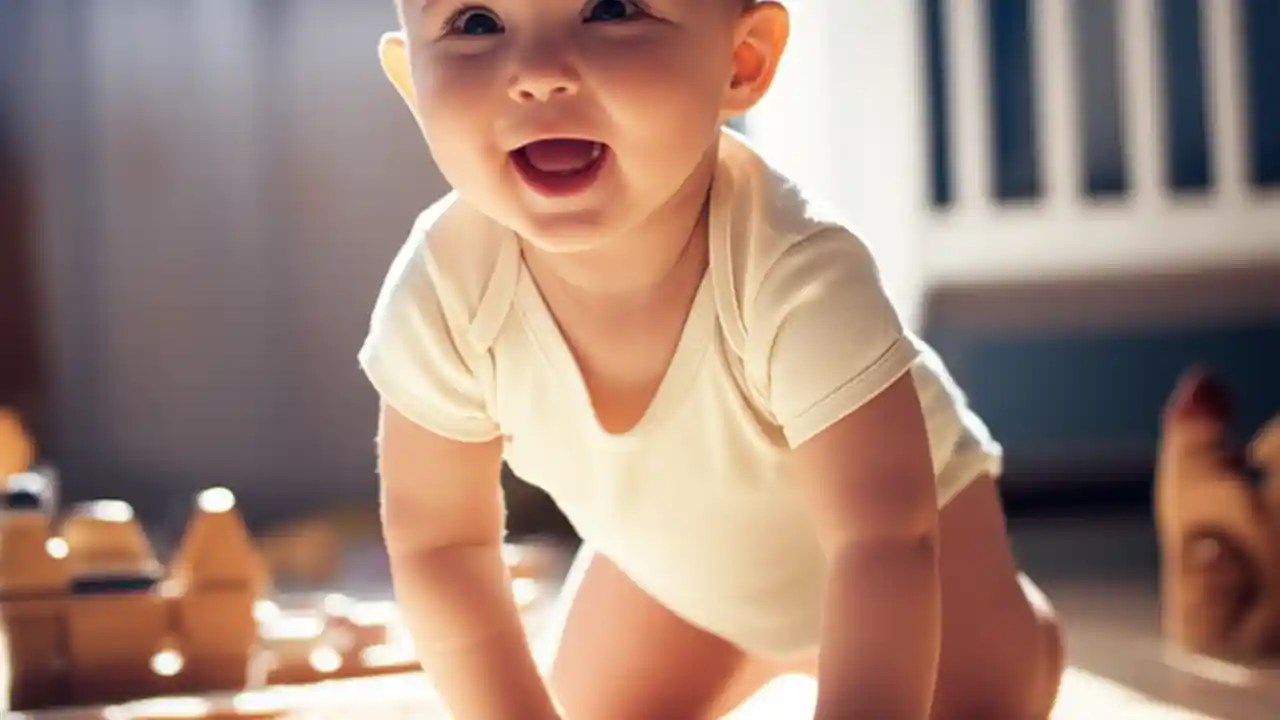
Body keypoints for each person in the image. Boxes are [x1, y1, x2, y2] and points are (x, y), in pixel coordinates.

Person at [358, 1, 1064, 717]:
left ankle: (1023, 640)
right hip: (679, 583)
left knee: (982, 697)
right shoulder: (446, 290)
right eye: (477, 23)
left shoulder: (794, 271)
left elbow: (885, 538)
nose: (538, 75)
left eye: (609, 10)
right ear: (413, 81)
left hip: (915, 551)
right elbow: (438, 543)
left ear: (742, 59)